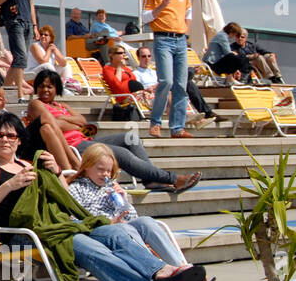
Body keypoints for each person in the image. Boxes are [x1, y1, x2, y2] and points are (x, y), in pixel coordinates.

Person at [0, 112, 211, 281]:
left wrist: (56, 172)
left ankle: (163, 272)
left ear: (19, 139)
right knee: (90, 247)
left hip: (58, 224)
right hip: (21, 232)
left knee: (115, 233)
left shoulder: (28, 163)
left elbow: (63, 197)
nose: (5, 140)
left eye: (11, 135)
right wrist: (10, 185)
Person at [23, 70, 200, 192]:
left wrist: (66, 121)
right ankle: (172, 179)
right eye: (42, 86)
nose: (45, 90)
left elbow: (83, 122)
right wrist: (72, 123)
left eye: (50, 87)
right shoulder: (36, 104)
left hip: (87, 141)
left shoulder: (62, 106)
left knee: (130, 138)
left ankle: (151, 179)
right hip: (74, 146)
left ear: (56, 89)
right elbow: (54, 123)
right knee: (121, 154)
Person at [68, 143, 188, 267]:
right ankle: (157, 268)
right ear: (86, 166)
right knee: (125, 229)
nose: (105, 174)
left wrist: (123, 201)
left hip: (122, 227)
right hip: (100, 231)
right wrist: (108, 222)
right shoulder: (77, 188)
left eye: (109, 171)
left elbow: (132, 217)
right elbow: (76, 221)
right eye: (100, 170)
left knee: (146, 222)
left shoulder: (110, 187)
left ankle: (181, 266)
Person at [142, 0, 193, 139]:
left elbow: (188, 11)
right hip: (163, 37)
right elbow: (145, 17)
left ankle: (177, 127)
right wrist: (161, 6)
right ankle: (155, 123)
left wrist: (186, 29)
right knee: (166, 81)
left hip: (180, 39)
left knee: (181, 84)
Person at [132, 45, 217, 124]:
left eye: (149, 56)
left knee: (187, 83)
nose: (147, 59)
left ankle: (187, 75)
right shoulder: (136, 74)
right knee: (183, 81)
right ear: (138, 58)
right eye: (143, 56)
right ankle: (200, 116)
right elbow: (141, 90)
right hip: (153, 95)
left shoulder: (156, 72)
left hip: (166, 88)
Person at [102, 47, 151, 122]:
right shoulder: (107, 69)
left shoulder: (126, 69)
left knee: (161, 96)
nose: (123, 55)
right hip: (123, 96)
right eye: (120, 53)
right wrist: (119, 67)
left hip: (135, 94)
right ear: (111, 55)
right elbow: (116, 84)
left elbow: (134, 80)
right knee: (154, 98)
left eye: (124, 53)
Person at [26, 25, 74, 90]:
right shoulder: (35, 46)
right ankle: (56, 87)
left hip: (47, 72)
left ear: (51, 38)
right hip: (32, 72)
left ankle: (68, 88)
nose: (43, 36)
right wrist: (49, 50)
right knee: (47, 65)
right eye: (41, 34)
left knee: (67, 67)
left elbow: (64, 63)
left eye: (46, 35)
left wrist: (55, 51)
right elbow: (42, 61)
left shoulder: (52, 47)